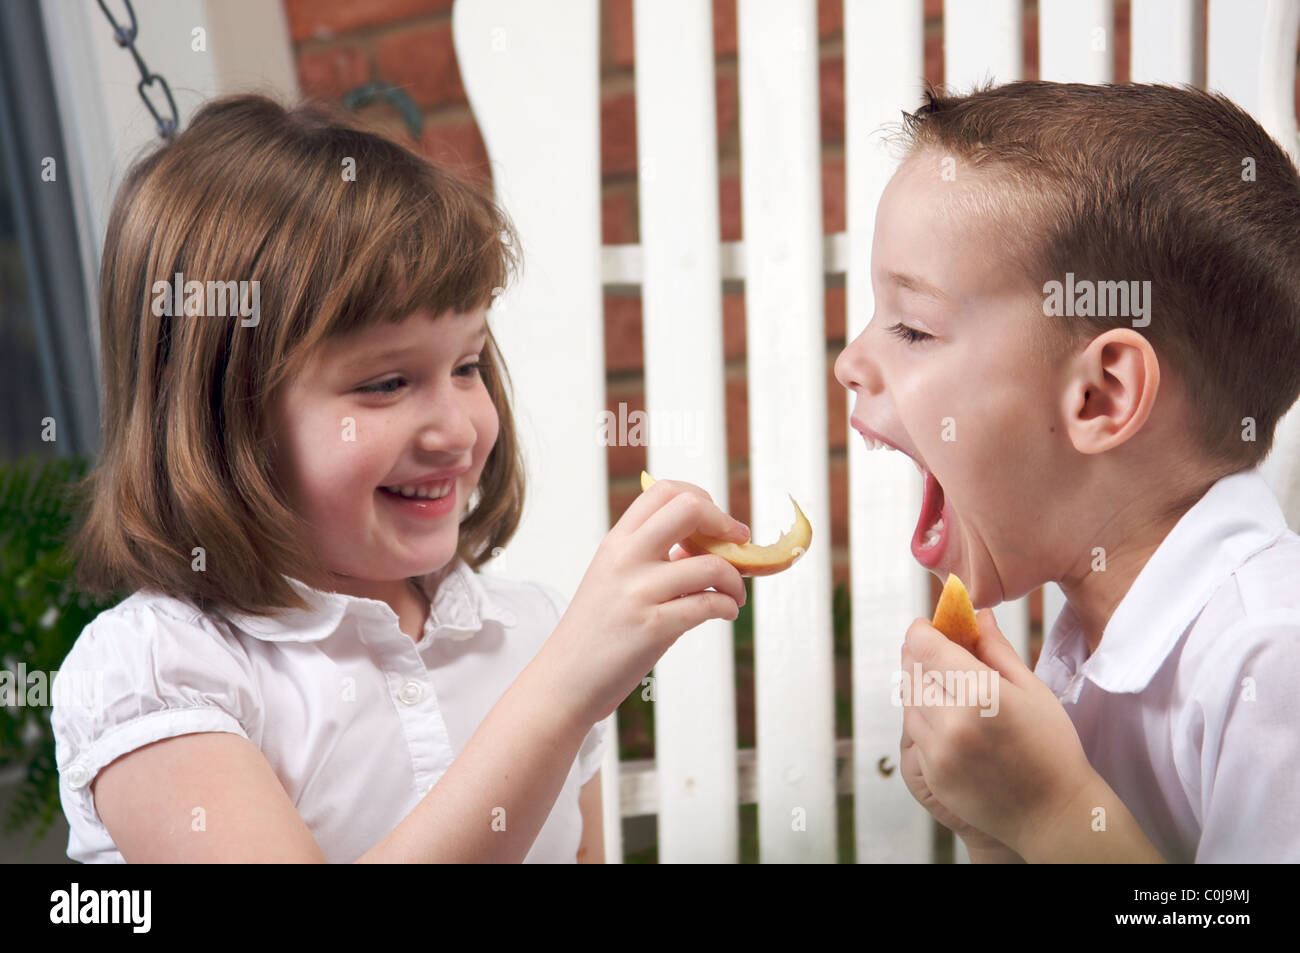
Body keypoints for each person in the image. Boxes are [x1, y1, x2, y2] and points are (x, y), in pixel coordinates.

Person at [52, 94, 750, 863]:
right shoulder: (162, 671)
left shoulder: (530, 635)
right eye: (386, 384)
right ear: (224, 414)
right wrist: (561, 692)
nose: (456, 429)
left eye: (466, 364)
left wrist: (561, 677)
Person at [834, 81, 1300, 862]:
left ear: (1101, 394)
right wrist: (994, 825)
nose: (851, 362)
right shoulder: (1088, 634)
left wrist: (1051, 811)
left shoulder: (1270, 655)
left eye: (913, 329)